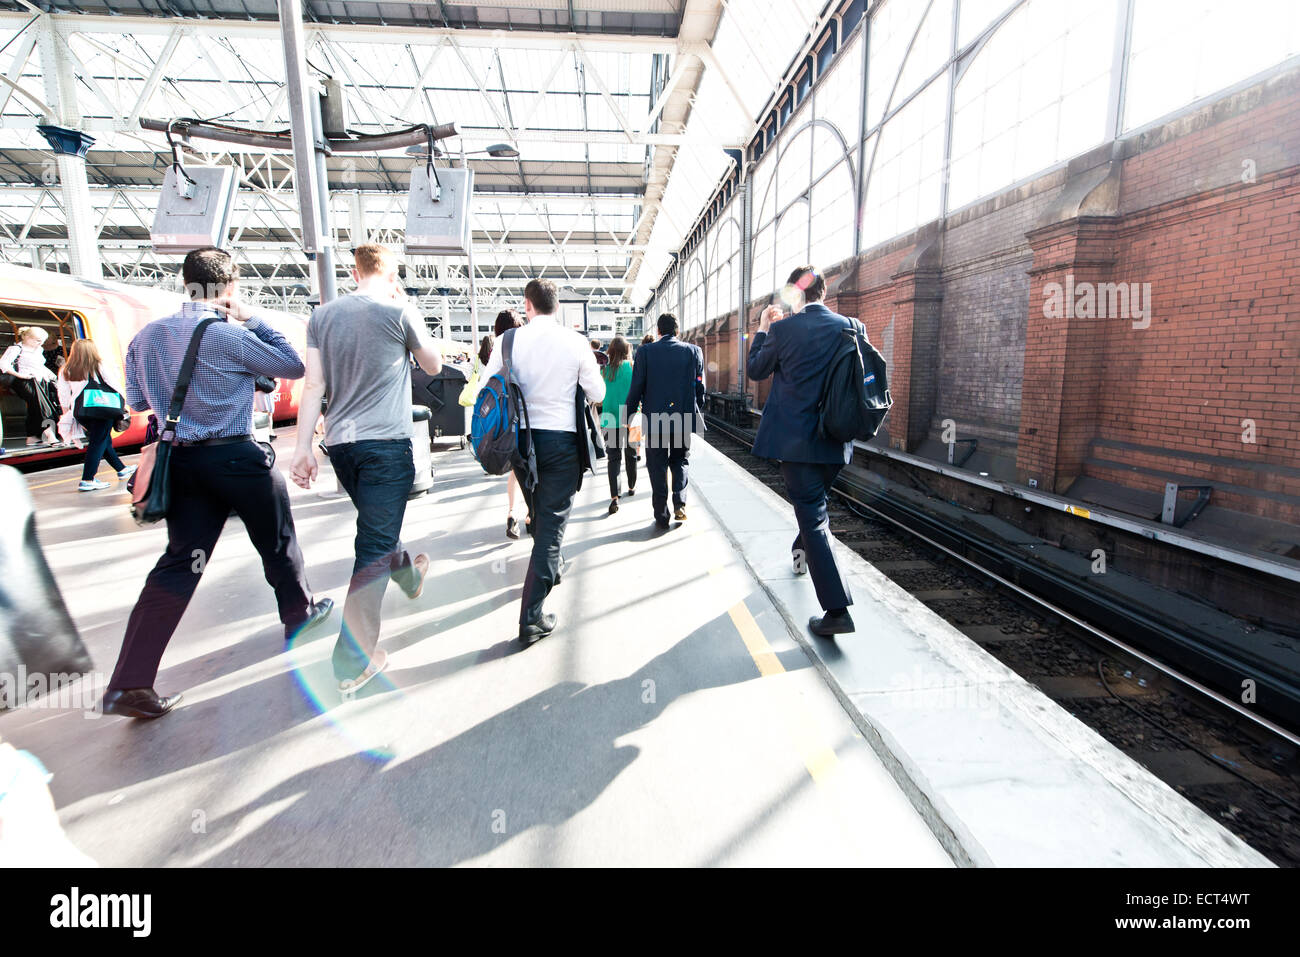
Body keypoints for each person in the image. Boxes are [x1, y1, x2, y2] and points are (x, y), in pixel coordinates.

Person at [101, 247, 332, 720]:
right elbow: (292, 365)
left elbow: (141, 400)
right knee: (277, 541)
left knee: (179, 564)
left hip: (180, 465)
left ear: (185, 283)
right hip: (234, 458)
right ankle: (298, 614)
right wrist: (253, 319)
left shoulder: (145, 338)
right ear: (229, 287)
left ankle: (130, 681)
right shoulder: (228, 334)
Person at [291, 244, 442, 694]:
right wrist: (408, 310)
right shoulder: (399, 311)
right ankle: (352, 665)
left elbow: (314, 384)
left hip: (343, 446)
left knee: (379, 529)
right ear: (392, 272)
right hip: (387, 446)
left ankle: (411, 579)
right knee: (374, 545)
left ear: (353, 271)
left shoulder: (322, 317)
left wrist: (302, 449)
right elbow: (433, 366)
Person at [482, 279, 604, 644]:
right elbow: (597, 392)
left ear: (527, 305)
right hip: (562, 443)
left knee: (539, 514)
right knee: (551, 527)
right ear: (557, 306)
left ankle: (549, 566)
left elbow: (485, 388)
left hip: (520, 442)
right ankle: (531, 618)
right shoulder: (575, 341)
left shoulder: (508, 341)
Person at [747, 265, 859, 637]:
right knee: (814, 506)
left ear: (794, 294)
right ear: (824, 293)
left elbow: (756, 370)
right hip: (838, 439)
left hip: (796, 443)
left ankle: (836, 609)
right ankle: (801, 551)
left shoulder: (782, 330)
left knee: (814, 518)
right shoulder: (851, 327)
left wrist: (763, 328)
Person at [625, 313, 705, 529]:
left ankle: (661, 513)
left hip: (655, 419)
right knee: (680, 460)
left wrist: (629, 415)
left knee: (657, 465)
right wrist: (697, 408)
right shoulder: (693, 351)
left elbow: (637, 387)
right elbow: (700, 387)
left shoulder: (645, 352)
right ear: (677, 331)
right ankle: (680, 503)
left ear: (658, 331)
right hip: (682, 417)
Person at [55, 339, 136, 491]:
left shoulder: (66, 369)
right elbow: (114, 384)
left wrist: (67, 413)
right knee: (97, 442)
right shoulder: (98, 365)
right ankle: (88, 479)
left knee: (102, 439)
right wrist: (124, 404)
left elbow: (63, 394)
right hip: (102, 409)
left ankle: (121, 469)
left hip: (81, 411)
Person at [485, 308, 527, 539]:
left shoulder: (497, 348)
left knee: (515, 469)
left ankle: (512, 512)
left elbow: (485, 386)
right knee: (529, 468)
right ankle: (531, 513)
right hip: (528, 418)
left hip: (505, 422)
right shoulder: (525, 344)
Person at [1, 327, 60, 447]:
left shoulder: (38, 350)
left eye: (41, 341)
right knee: (41, 406)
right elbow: (3, 364)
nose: (40, 343)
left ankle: (32, 436)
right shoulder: (16, 349)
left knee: (34, 407)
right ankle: (49, 434)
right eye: (37, 340)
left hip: (40, 380)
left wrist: (53, 377)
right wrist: (20, 375)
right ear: (26, 337)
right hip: (25, 381)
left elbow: (40, 366)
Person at [598, 335, 636, 514]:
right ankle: (631, 486)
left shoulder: (604, 370)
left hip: (608, 416)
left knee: (613, 457)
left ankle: (615, 497)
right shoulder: (631, 367)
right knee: (631, 453)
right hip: (631, 417)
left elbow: (598, 393)